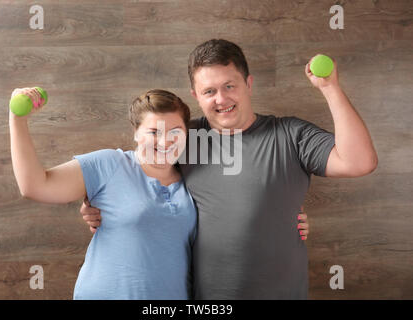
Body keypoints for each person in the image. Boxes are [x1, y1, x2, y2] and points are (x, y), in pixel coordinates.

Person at [81, 39, 377, 299]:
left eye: (229, 86)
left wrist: (330, 88)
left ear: (248, 84)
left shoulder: (289, 134)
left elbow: (359, 162)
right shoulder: (186, 136)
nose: (221, 99)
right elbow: (136, 167)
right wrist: (98, 205)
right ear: (196, 96)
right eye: (209, 91)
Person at [10, 88, 197, 299]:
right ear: (136, 133)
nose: (165, 142)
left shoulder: (194, 179)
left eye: (175, 132)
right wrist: (18, 119)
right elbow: (34, 186)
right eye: (154, 132)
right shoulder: (109, 164)